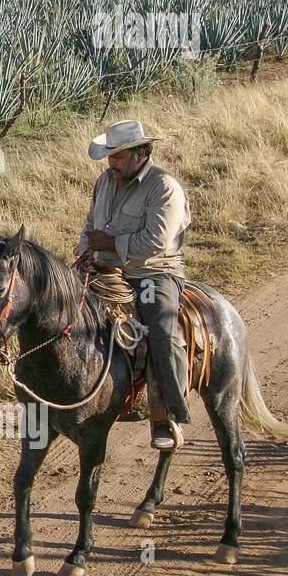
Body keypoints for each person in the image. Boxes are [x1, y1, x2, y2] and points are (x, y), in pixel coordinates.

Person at [75, 120, 193, 450]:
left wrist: (110, 243)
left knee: (161, 331)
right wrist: (84, 253)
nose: (111, 163)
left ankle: (166, 414)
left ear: (141, 154)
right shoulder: (104, 182)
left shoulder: (164, 187)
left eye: (119, 156)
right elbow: (89, 227)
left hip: (154, 272)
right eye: (110, 156)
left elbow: (155, 241)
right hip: (104, 265)